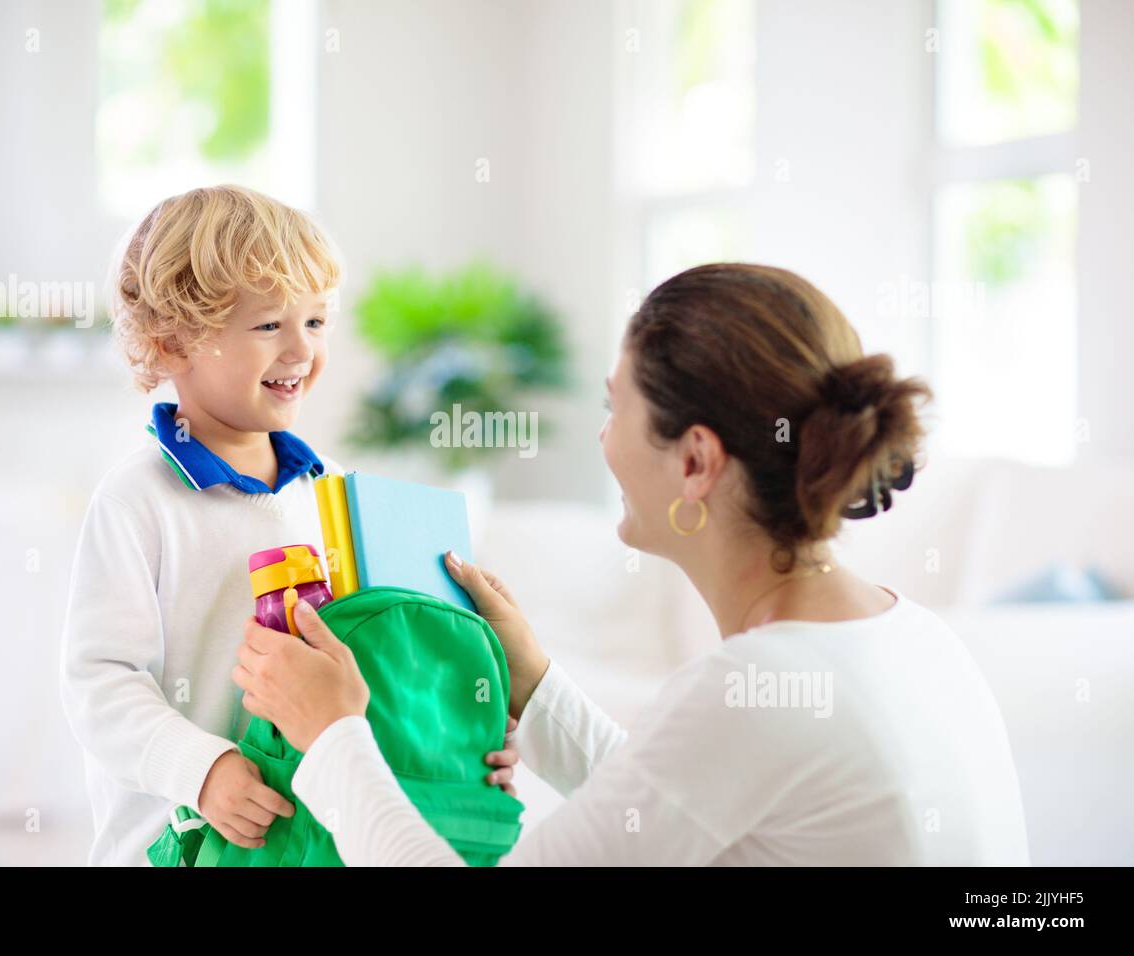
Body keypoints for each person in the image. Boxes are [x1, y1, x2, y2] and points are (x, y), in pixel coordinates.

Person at [234, 262, 1031, 866]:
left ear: (696, 461)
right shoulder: (910, 637)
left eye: (616, 408)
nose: (604, 437)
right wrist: (534, 685)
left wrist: (333, 733)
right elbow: (687, 804)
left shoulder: (753, 688)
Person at [59, 183, 521, 865]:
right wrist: (202, 769)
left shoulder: (336, 492)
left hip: (305, 841)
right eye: (269, 325)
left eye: (316, 321)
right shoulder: (137, 501)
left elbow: (379, 664)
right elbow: (99, 681)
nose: (301, 350)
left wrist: (460, 732)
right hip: (174, 843)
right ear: (174, 342)